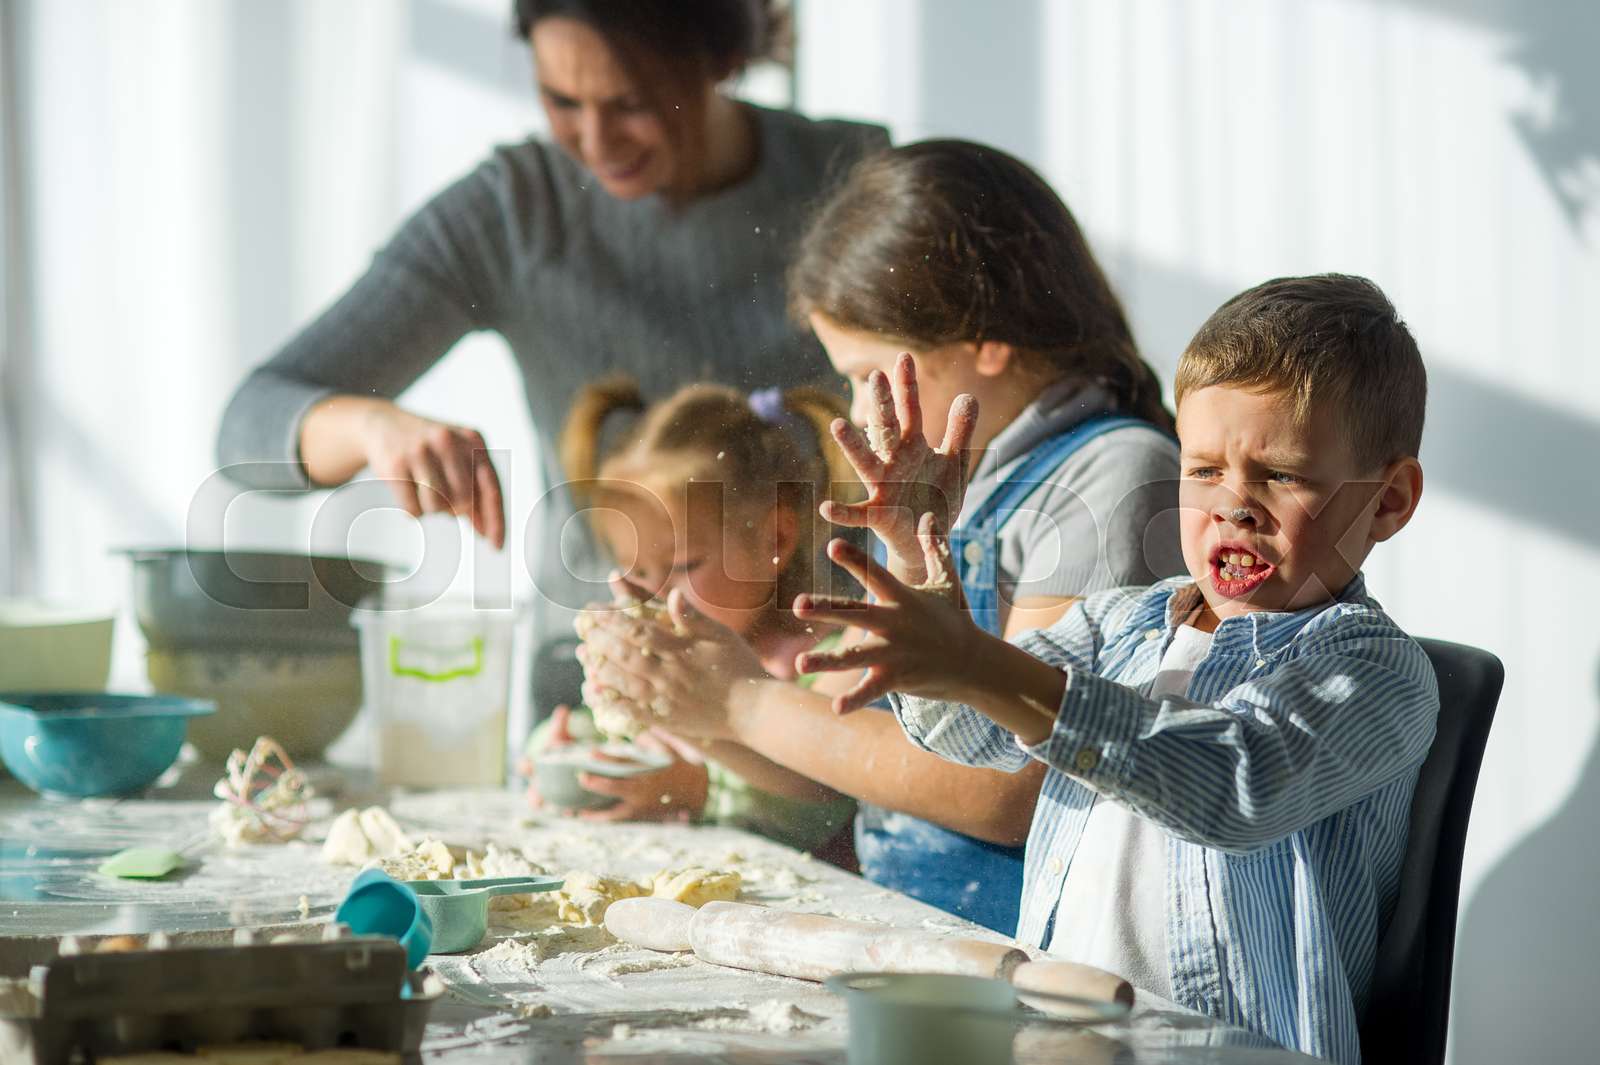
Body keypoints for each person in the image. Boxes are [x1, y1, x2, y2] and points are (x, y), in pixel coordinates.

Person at [785, 274, 1439, 1065]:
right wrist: (928, 573)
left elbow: (1238, 782)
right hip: (1058, 1037)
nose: (1233, 504)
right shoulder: (1120, 622)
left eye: (1283, 475)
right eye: (1203, 469)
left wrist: (980, 663)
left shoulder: (1376, 670)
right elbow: (971, 732)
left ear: (1390, 501)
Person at [573, 140, 1185, 933]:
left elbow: (1008, 791)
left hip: (1022, 954)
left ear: (986, 337)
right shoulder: (944, 490)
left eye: (869, 373)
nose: (858, 411)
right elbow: (858, 760)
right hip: (907, 923)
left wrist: (740, 700)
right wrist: (690, 709)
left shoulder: (1110, 478)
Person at [214, 0, 888, 632]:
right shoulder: (516, 212)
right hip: (600, 697)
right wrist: (370, 425)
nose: (595, 142)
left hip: (838, 685)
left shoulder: (854, 178)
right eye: (562, 100)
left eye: (632, 102)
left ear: (723, 59)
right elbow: (248, 427)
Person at [531, 376, 859, 857]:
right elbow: (605, 728)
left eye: (683, 566)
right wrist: (563, 745)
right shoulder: (660, 657)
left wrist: (700, 787)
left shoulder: (826, 660)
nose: (653, 592)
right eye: (636, 569)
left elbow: (827, 799)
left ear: (775, 538)